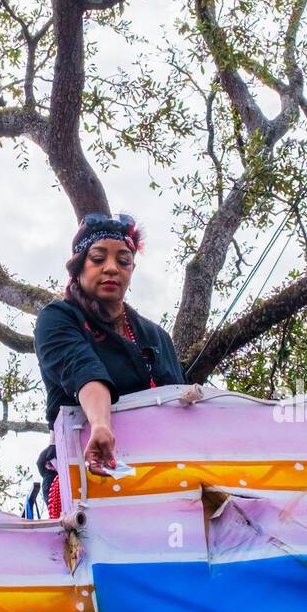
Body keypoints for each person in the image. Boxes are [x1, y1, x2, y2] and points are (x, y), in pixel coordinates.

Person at [33, 212, 185, 516]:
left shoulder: (156, 336)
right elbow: (85, 372)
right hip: (89, 469)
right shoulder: (59, 318)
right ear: (79, 266)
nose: (112, 268)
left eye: (123, 261)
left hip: (164, 477)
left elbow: (181, 402)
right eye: (98, 259)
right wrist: (101, 426)